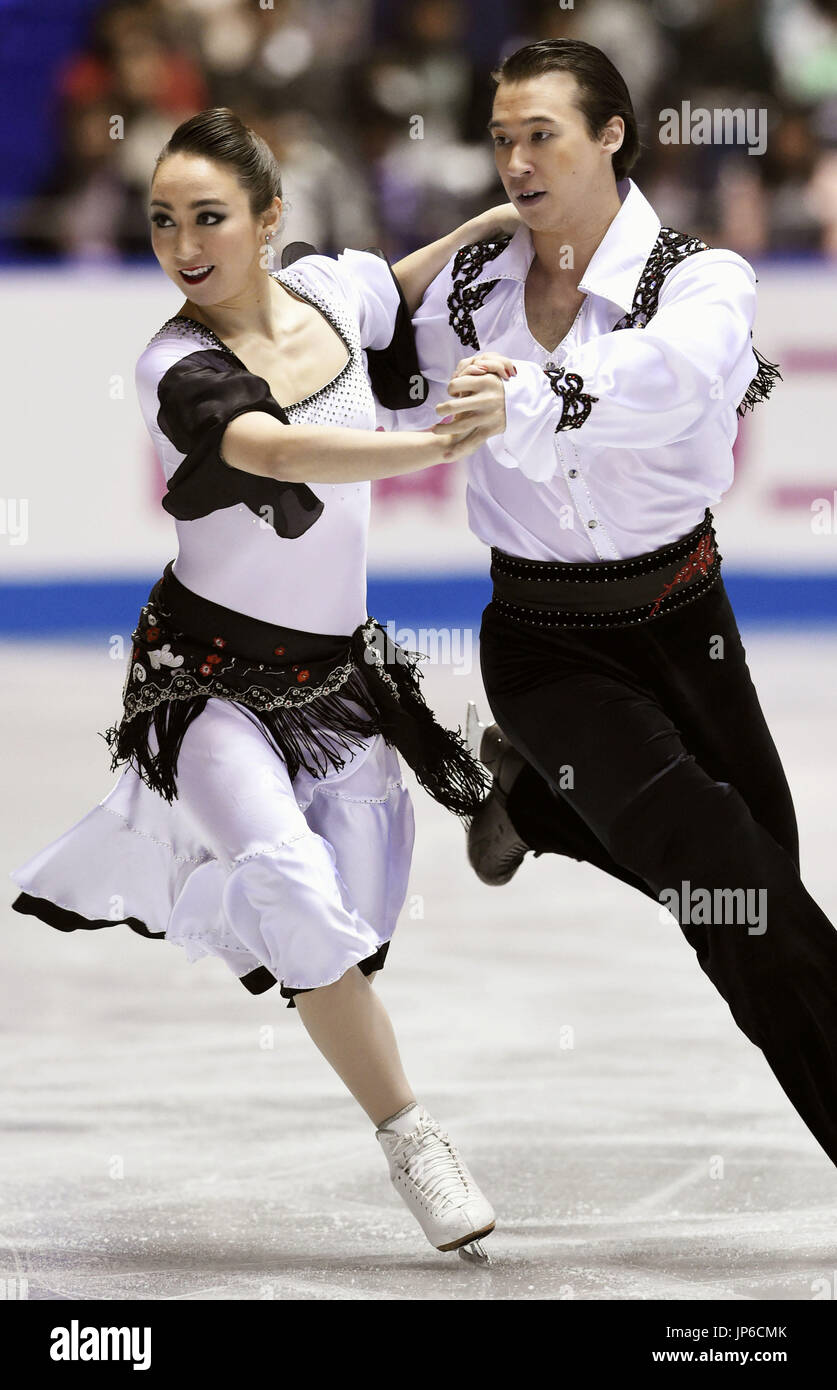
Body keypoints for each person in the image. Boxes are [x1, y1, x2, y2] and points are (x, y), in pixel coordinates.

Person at [9, 108, 515, 1261]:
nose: (184, 242)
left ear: (269, 220)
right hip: (207, 683)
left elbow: (398, 280)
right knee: (289, 884)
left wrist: (502, 215)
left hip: (336, 685)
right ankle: (413, 1139)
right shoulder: (172, 365)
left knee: (342, 920)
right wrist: (438, 446)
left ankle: (240, 899)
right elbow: (277, 453)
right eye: (163, 221)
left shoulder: (335, 294)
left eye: (210, 218)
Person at [376, 38, 837, 1175]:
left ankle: (534, 805)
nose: (518, 160)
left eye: (545, 134)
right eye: (501, 139)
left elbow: (675, 379)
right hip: (546, 646)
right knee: (735, 886)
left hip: (689, 621)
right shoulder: (474, 293)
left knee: (750, 893)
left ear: (612, 134)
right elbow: (357, 337)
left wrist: (533, 393)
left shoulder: (698, 277)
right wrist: (460, 242)